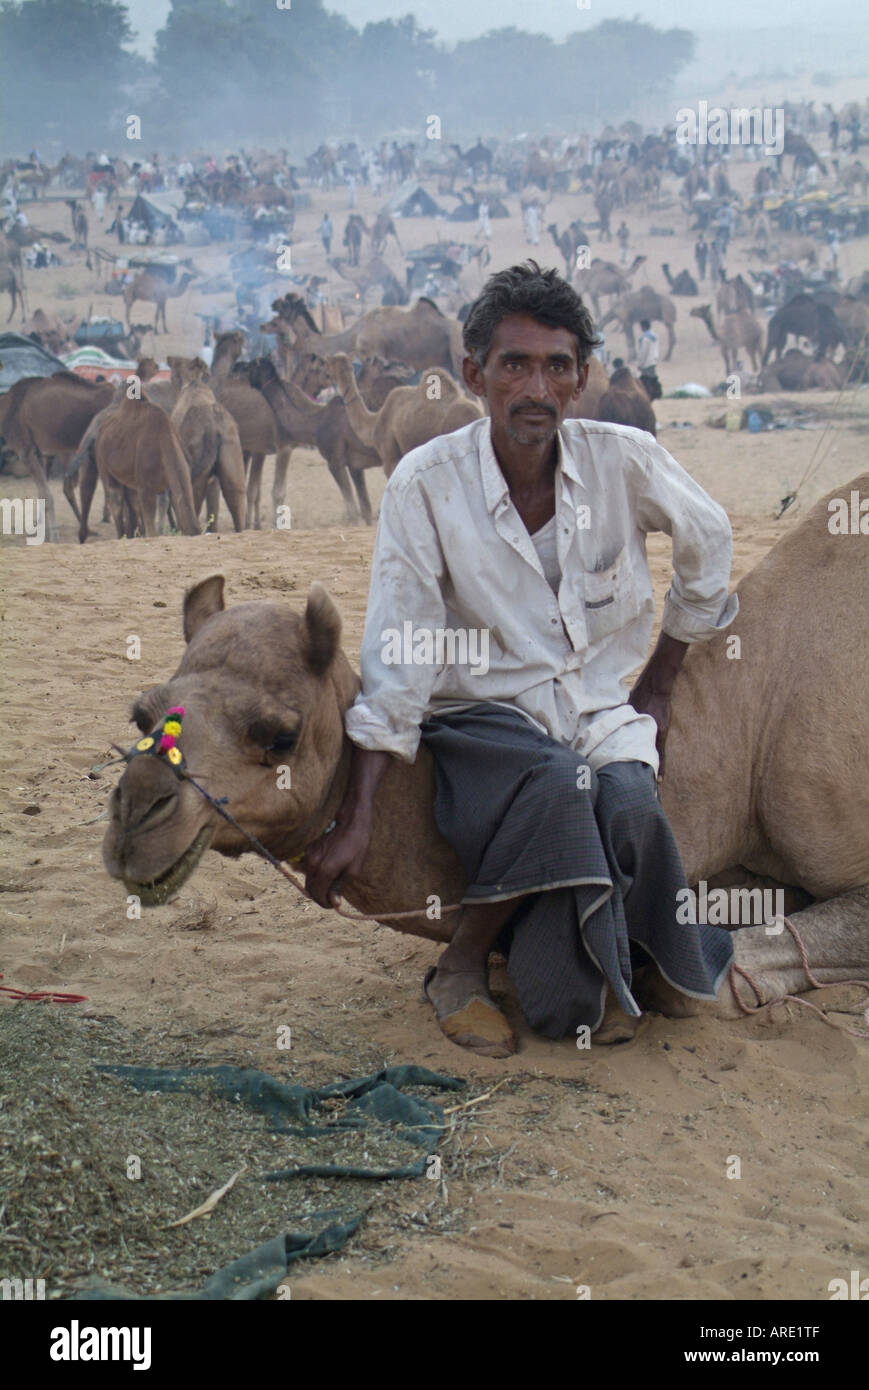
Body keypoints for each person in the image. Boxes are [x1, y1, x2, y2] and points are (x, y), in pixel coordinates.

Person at [304, 262, 736, 1057]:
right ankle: (461, 968)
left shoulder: (624, 461)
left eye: (556, 366)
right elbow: (400, 652)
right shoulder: (423, 488)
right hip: (478, 717)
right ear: (474, 375)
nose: (535, 387)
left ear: (579, 380)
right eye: (515, 365)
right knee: (559, 787)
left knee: (632, 810)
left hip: (598, 709)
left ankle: (618, 964)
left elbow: (709, 543)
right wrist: (359, 811)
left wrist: (661, 684)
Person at [636, 318, 661, 401]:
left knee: (647, 380)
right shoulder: (654, 336)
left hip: (646, 362)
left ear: (643, 327)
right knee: (652, 378)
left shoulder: (645, 338)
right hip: (653, 360)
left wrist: (640, 364)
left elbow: (643, 352)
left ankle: (650, 396)